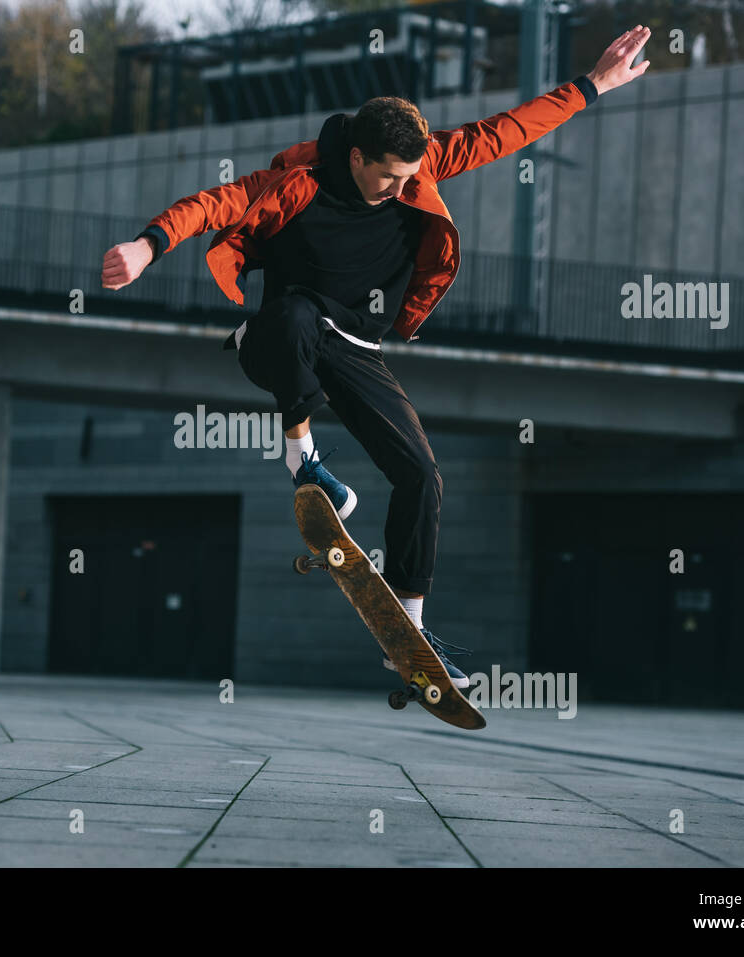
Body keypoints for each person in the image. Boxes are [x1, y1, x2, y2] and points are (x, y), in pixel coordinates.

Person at [103, 27, 652, 689]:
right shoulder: (296, 179)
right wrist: (146, 246)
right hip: (284, 340)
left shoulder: (420, 166)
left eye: (408, 177)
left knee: (423, 475)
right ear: (357, 156)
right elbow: (212, 203)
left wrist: (592, 84)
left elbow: (507, 131)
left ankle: (408, 635)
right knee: (296, 312)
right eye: (388, 176)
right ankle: (302, 458)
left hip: (358, 350)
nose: (398, 188)